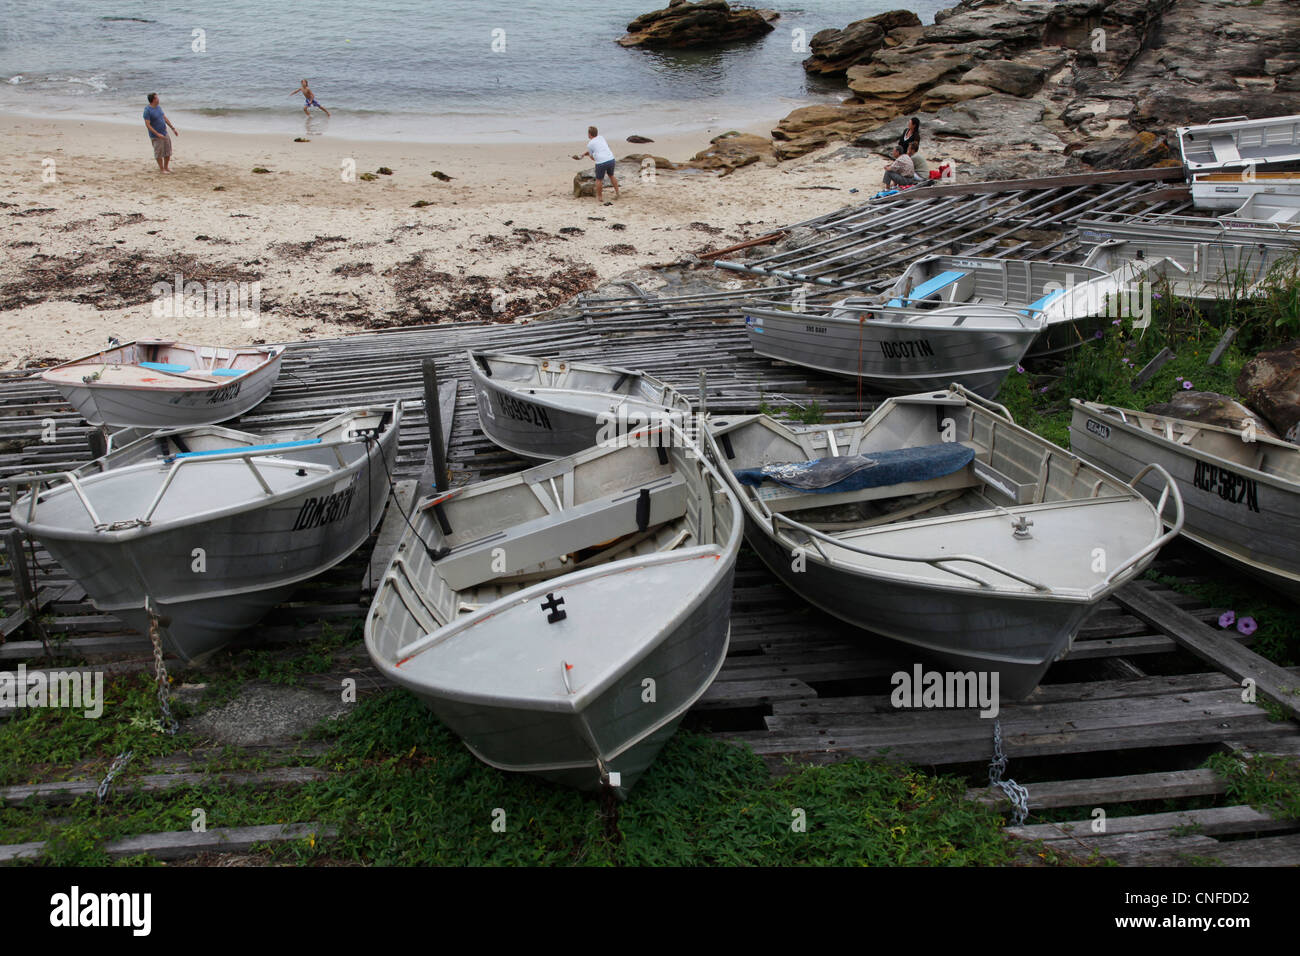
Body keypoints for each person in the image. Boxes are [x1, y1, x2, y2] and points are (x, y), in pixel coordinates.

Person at [572, 125, 619, 204]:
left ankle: (600, 197)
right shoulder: (601, 138)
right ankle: (617, 192)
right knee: (611, 175)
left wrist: (594, 159)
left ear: (589, 134)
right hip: (611, 159)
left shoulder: (590, 144)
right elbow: (598, 149)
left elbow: (592, 156)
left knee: (599, 179)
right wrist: (583, 154)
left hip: (601, 162)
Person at [143, 93, 179, 173]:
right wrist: (157, 134)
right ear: (153, 100)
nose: (158, 99)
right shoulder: (147, 110)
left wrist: (173, 128)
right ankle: (162, 169)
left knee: (168, 151)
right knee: (158, 153)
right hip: (156, 136)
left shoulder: (158, 107)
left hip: (164, 132)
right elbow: (148, 125)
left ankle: (166, 167)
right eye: (157, 98)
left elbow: (164, 118)